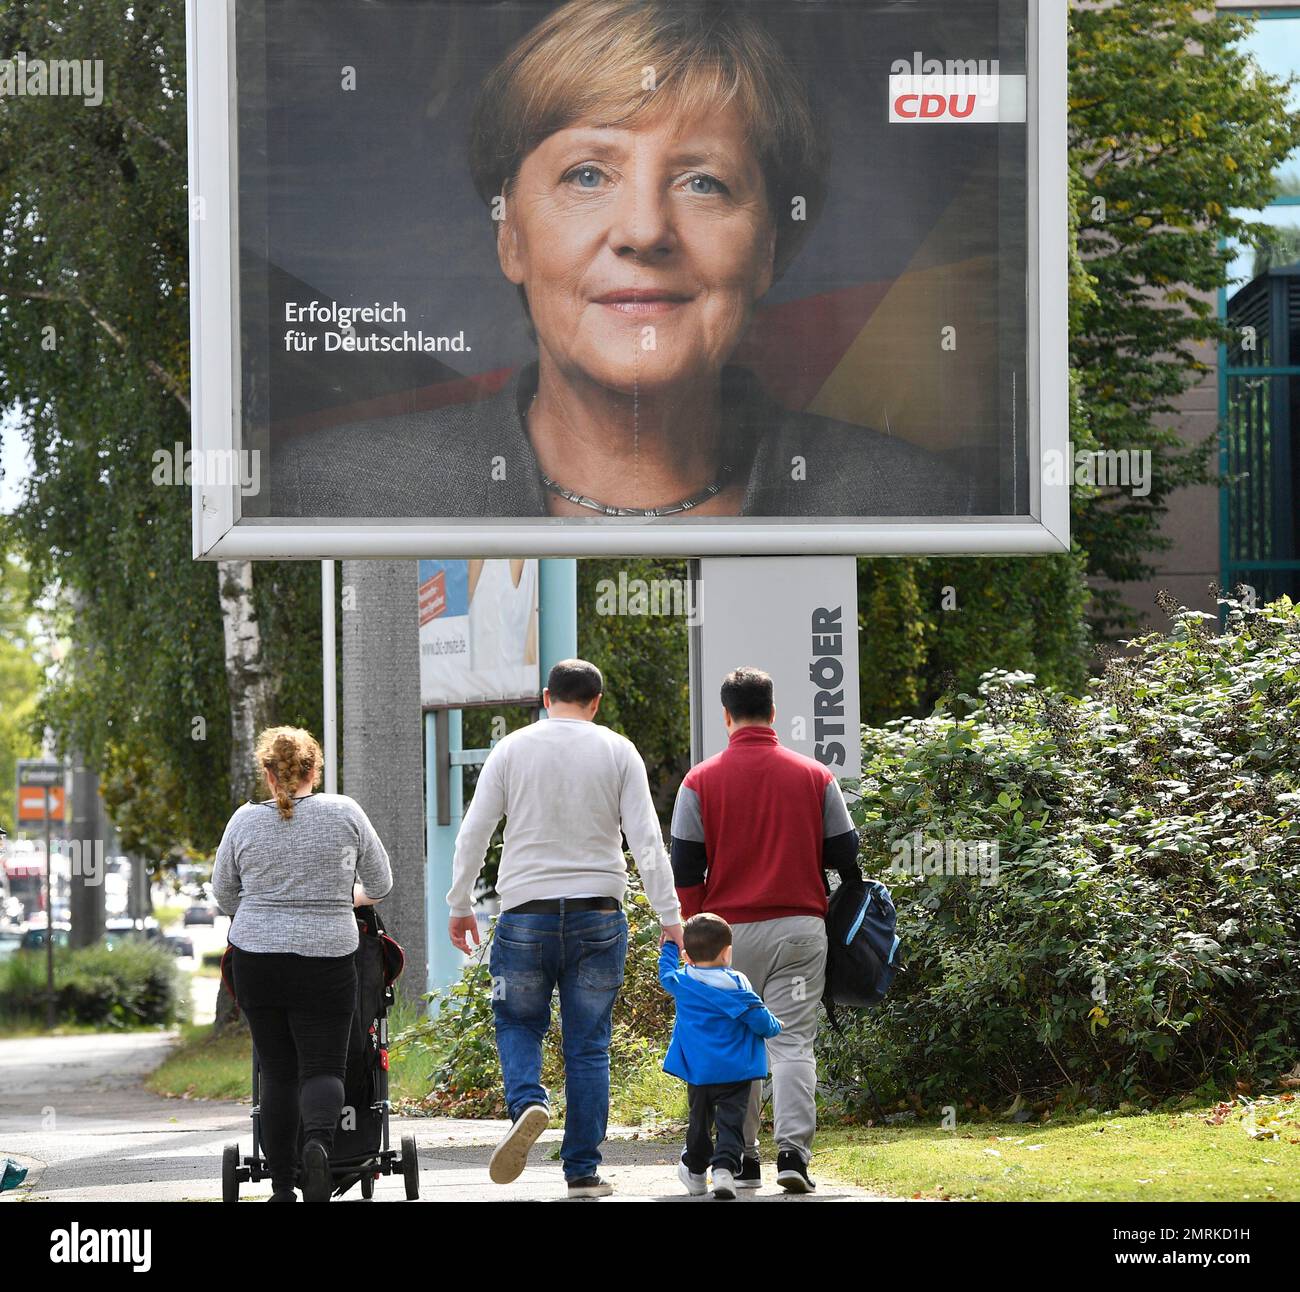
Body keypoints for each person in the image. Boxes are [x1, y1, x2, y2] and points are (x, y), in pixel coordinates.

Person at [271, 0, 973, 521]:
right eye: (587, 176)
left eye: (704, 181)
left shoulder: (914, 503)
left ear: (770, 246)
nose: (644, 230)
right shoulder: (332, 494)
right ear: (509, 234)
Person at [446, 658, 684, 1198]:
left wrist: (460, 902)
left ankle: (528, 1100)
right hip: (598, 916)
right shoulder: (618, 750)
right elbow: (646, 840)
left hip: (524, 915)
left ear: (546, 696)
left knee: (517, 1022)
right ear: (596, 702)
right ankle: (582, 1171)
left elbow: (475, 831)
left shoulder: (511, 749)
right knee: (588, 1047)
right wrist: (670, 918)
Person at [669, 666, 860, 1193]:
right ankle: (793, 1154)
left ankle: (743, 1154)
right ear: (774, 712)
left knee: (738, 1043)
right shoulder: (815, 776)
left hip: (729, 937)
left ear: (726, 716)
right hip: (800, 929)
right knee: (794, 1042)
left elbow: (685, 867)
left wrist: (695, 934)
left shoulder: (698, 781)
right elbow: (846, 854)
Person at [212, 726, 393, 1202]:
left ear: (267, 773)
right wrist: (344, 899)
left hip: (257, 959)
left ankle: (280, 1185)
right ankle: (318, 1147)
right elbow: (381, 882)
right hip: (328, 958)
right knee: (324, 1068)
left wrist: (263, 907)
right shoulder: (345, 813)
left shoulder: (243, 822)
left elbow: (224, 893)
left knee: (276, 1070)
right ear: (316, 768)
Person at [659, 913, 782, 1200]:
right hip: (736, 1071)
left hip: (699, 1070)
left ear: (687, 955)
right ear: (727, 952)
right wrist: (777, 1025)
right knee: (731, 1122)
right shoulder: (739, 983)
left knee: (699, 1120)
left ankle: (696, 1171)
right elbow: (760, 1020)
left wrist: (668, 946)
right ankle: (725, 1169)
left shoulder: (682, 980)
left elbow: (665, 973)